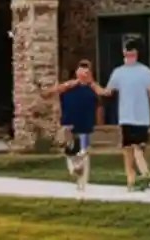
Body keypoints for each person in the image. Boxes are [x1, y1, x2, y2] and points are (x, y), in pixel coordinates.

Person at [97, 41, 150, 191]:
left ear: (137, 54)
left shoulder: (146, 72)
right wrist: (92, 85)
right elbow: (107, 92)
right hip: (126, 117)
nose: (130, 57)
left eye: (132, 54)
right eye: (127, 54)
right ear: (123, 54)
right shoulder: (118, 72)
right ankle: (133, 179)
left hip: (142, 118)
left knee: (139, 148)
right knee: (129, 149)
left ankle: (144, 175)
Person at [48, 60, 99, 197]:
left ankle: (82, 184)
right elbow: (50, 93)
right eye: (81, 70)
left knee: (83, 154)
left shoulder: (92, 89)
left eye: (87, 71)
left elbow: (100, 101)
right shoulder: (68, 87)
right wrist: (67, 85)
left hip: (85, 126)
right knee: (70, 153)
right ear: (76, 71)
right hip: (69, 125)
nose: (84, 73)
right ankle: (75, 171)